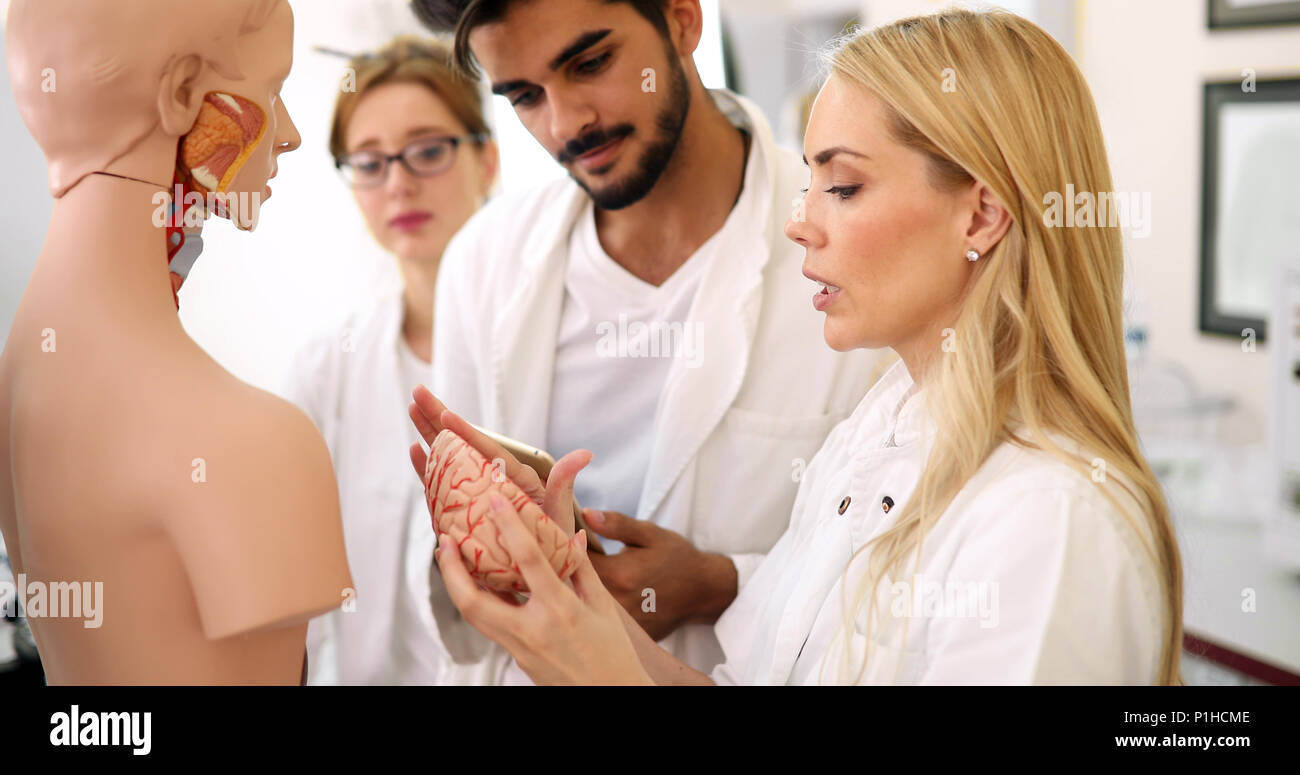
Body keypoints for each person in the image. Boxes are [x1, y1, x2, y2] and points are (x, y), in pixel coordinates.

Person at [411, 8, 1185, 685]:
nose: (798, 221)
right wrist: (566, 583)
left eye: (843, 188)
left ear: (981, 217)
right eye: (811, 182)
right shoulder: (869, 440)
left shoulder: (1051, 522)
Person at [408, 0, 887, 682]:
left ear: (683, 18)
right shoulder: (483, 262)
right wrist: (498, 532)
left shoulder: (847, 247)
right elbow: (446, 590)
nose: (565, 123)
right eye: (524, 96)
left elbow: (901, 574)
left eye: (591, 63)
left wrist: (721, 583)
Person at [0, 0, 353, 684]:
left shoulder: (21, 379)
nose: (291, 136)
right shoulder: (255, 444)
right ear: (184, 93)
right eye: (272, 92)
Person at [280, 36, 500, 685]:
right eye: (370, 163)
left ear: (487, 160)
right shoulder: (326, 371)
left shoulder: (546, 343)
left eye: (428, 150)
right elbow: (298, 599)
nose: (399, 182)